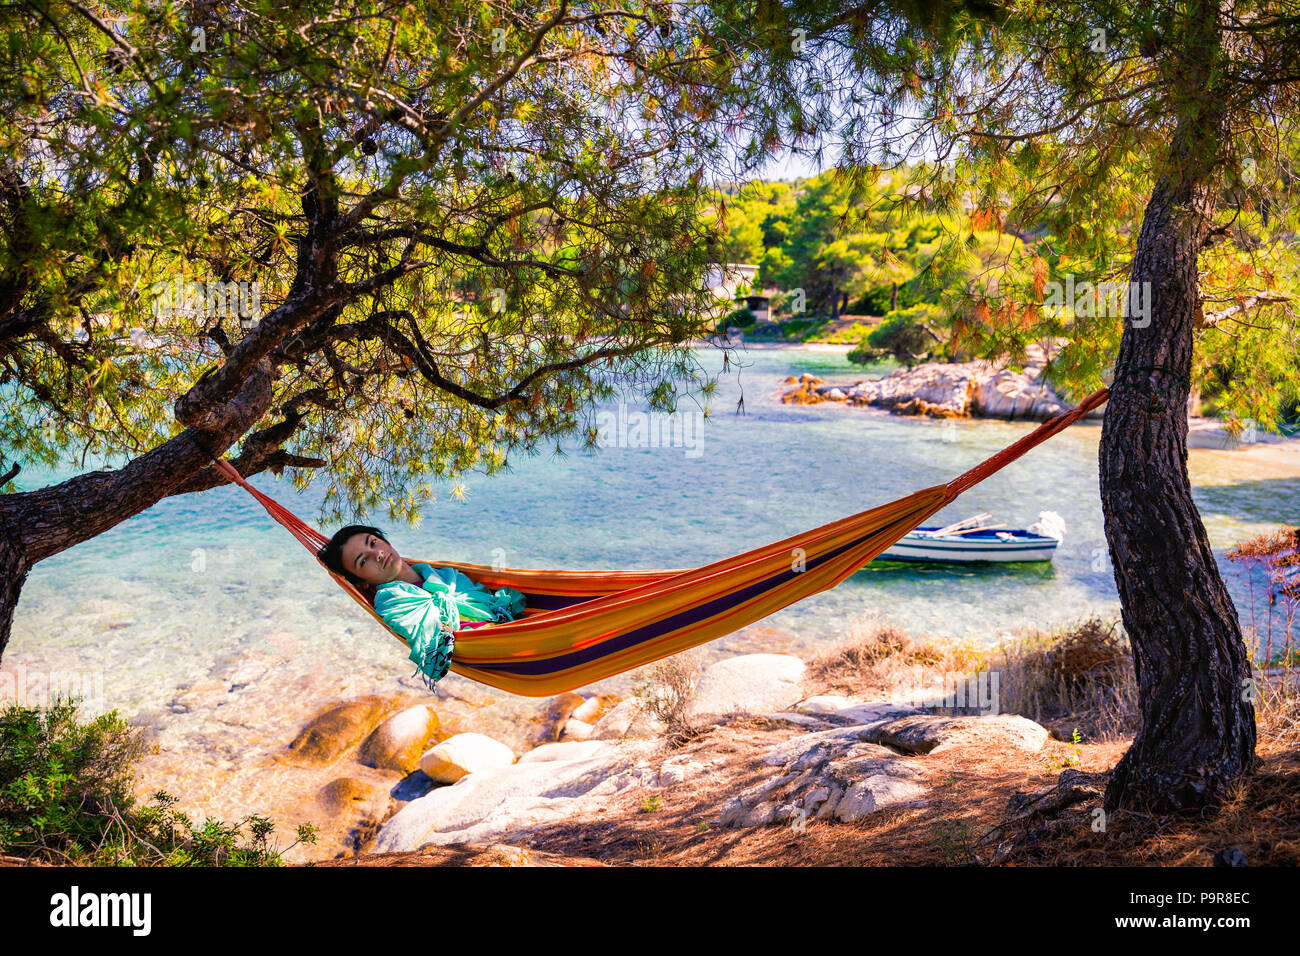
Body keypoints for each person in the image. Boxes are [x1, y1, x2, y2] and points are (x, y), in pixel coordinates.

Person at [317, 525, 525, 688]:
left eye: (373, 542)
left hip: (516, 633)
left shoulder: (446, 575)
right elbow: (431, 635)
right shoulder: (392, 602)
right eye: (363, 561)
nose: (377, 554)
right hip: (499, 647)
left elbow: (484, 598)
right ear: (361, 583)